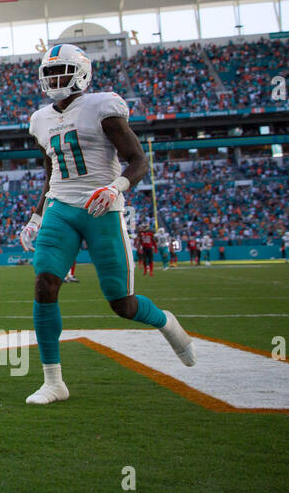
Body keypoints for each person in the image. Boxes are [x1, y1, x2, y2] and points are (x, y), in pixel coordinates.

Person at [17, 43, 196, 406]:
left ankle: (166, 322)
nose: (54, 78)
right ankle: (54, 381)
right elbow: (51, 171)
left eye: (61, 71)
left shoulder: (102, 106)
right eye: (49, 72)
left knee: (122, 303)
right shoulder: (40, 119)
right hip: (60, 208)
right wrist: (36, 216)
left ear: (81, 73)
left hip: (103, 209)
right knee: (44, 283)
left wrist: (115, 186)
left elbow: (138, 160)